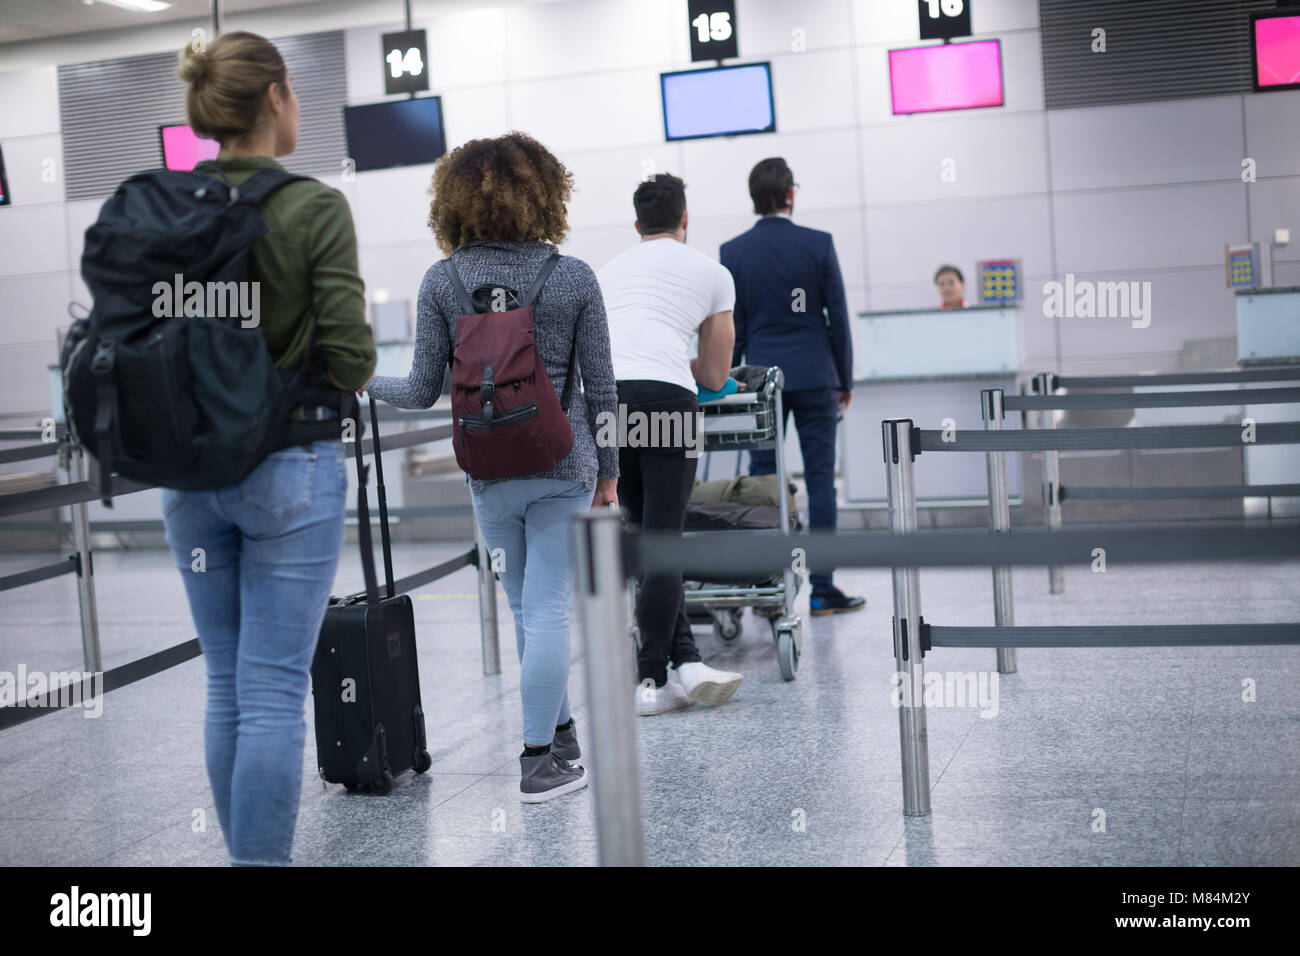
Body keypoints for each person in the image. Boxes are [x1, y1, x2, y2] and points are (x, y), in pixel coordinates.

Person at [163, 32, 376, 865]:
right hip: (290, 468)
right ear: (278, 96)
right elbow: (353, 358)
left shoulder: (164, 206)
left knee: (227, 685)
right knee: (274, 691)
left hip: (184, 475)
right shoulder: (312, 205)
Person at [364, 132, 618, 802]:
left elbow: (420, 390)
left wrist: (362, 379)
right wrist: (610, 472)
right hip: (563, 468)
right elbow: (604, 390)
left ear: (453, 201)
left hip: (488, 476)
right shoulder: (573, 277)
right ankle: (538, 762)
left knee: (526, 609)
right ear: (544, 192)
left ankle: (559, 734)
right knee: (549, 610)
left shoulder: (441, 281)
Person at [598, 173, 745, 716]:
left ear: (637, 225)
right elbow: (713, 372)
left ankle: (685, 659)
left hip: (608, 404)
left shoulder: (608, 270)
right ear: (686, 220)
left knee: (646, 535)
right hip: (667, 402)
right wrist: (689, 369)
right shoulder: (712, 271)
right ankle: (650, 678)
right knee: (666, 538)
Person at [720, 157, 864, 616]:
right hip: (816, 375)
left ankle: (767, 588)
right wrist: (843, 377)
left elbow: (735, 327)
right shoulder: (818, 244)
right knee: (821, 479)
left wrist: (732, 382)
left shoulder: (734, 251)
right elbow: (836, 317)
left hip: (762, 379)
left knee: (764, 480)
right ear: (790, 194)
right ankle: (822, 588)